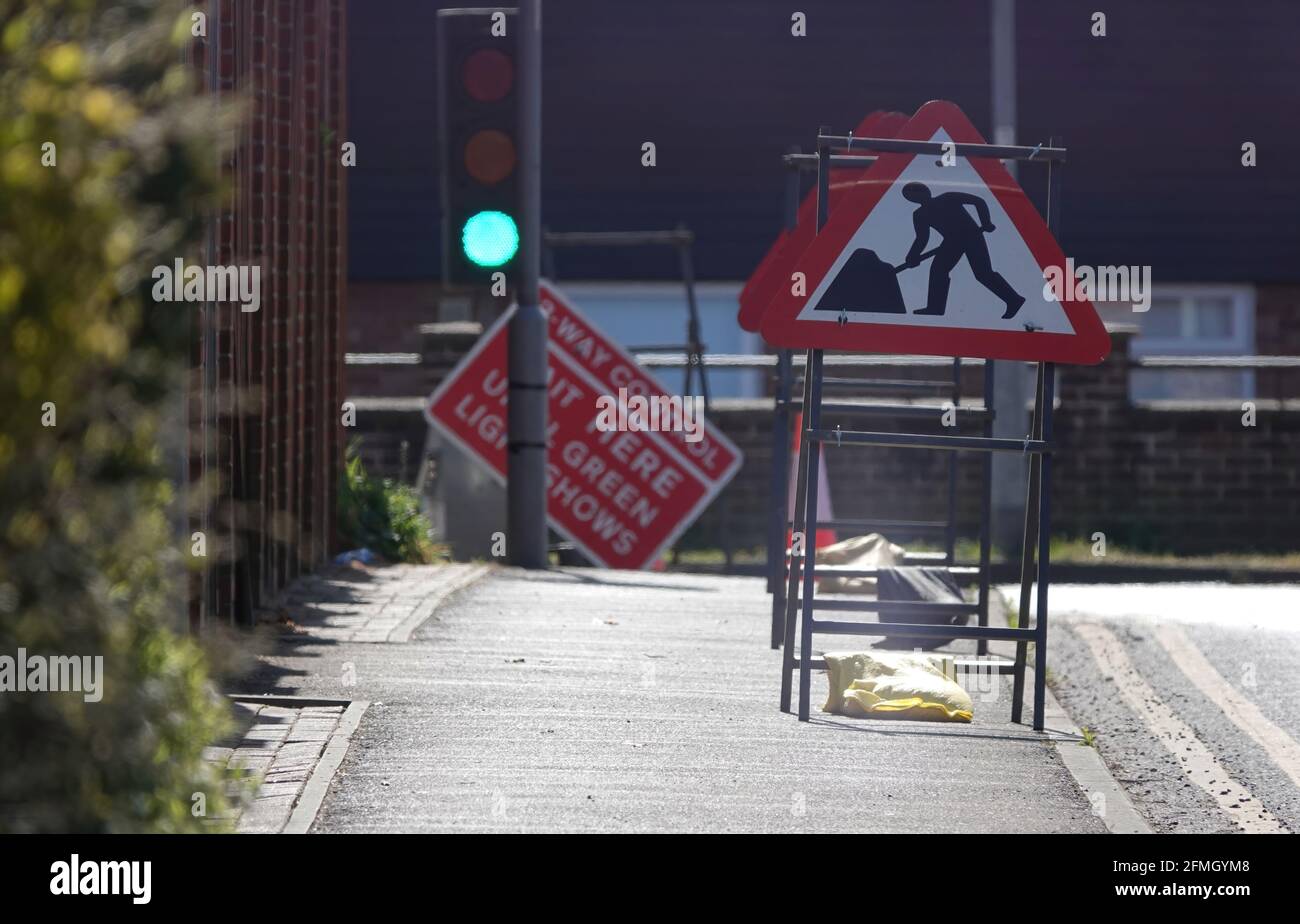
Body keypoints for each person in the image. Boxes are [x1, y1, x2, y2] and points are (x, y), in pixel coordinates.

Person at [900, 182, 1025, 319]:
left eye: (918, 192)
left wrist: (986, 222)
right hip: (951, 242)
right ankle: (935, 307)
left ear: (926, 191)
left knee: (983, 273)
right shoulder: (919, 214)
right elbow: (922, 238)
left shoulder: (948, 197)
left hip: (972, 236)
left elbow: (978, 201)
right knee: (938, 271)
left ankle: (1014, 300)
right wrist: (912, 255)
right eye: (911, 196)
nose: (917, 196)